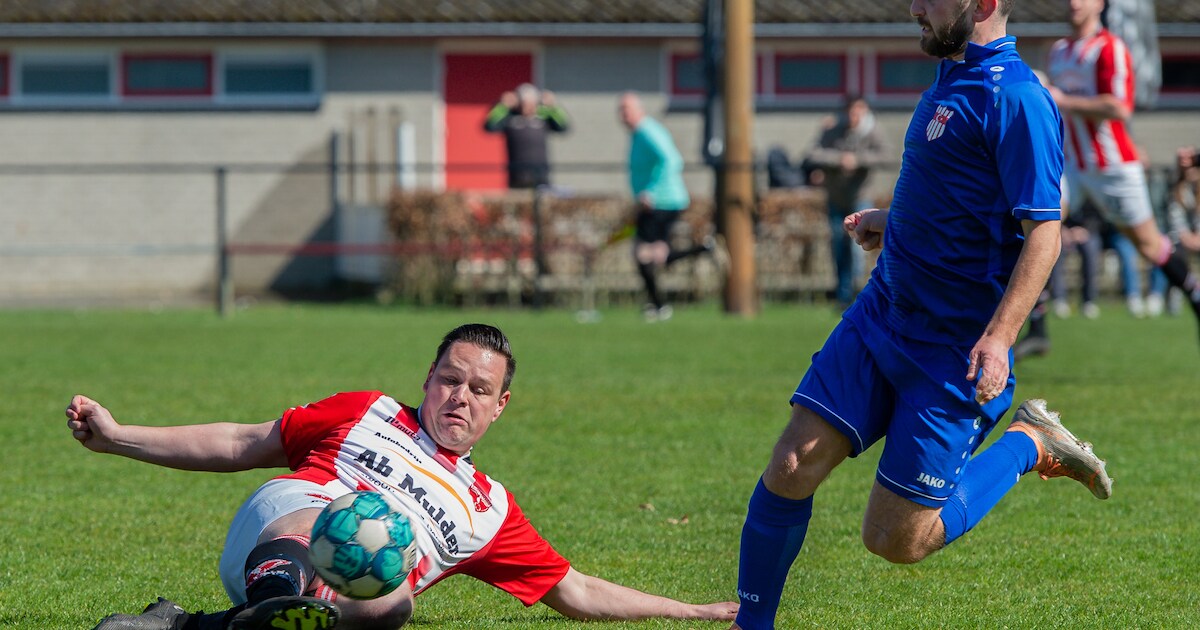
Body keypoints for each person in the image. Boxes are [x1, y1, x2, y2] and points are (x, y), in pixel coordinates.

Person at [729, 2, 1113, 629]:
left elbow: (1044, 235)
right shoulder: (950, 75)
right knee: (792, 463)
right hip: (883, 314)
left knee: (895, 539)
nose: (914, 8)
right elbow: (959, 195)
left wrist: (1000, 337)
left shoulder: (1017, 98)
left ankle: (1030, 443)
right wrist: (894, 222)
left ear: (982, 3)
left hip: (952, 351)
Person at [72, 324, 738, 630]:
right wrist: (118, 437)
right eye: (449, 379)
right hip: (280, 526)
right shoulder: (369, 412)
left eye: (479, 389)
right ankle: (269, 602)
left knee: (394, 604)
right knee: (343, 519)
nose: (460, 397)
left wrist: (696, 612)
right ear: (427, 378)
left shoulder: (489, 510)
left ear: (501, 406)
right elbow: (244, 441)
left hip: (347, 599)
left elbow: (577, 589)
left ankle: (197, 626)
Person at [1045, 0, 1200, 336]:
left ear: (1099, 4)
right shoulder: (1058, 50)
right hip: (1069, 163)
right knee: (1039, 227)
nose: (1073, 3)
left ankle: (1194, 292)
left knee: (1149, 245)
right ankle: (1038, 326)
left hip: (1112, 166)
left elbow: (1119, 107)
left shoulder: (1110, 48)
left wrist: (1062, 99)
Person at [618, 91, 719, 322]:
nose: (622, 115)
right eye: (620, 110)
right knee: (655, 254)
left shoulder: (648, 131)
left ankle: (659, 305)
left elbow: (672, 160)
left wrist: (651, 192)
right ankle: (704, 249)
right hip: (658, 202)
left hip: (662, 201)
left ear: (639, 110)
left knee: (643, 253)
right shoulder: (638, 134)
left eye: (626, 109)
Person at [803, 94, 890, 309]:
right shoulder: (833, 130)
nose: (855, 116)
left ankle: (860, 290)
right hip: (836, 197)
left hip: (860, 196)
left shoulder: (872, 131)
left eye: (859, 111)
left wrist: (857, 160)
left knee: (858, 246)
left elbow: (886, 155)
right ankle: (843, 295)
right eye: (851, 111)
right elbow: (812, 153)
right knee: (838, 245)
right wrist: (838, 159)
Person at [484, 83, 570, 190]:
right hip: (517, 175)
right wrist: (502, 106)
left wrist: (553, 106)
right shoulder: (510, 117)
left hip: (541, 175)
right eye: (524, 103)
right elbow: (490, 126)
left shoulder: (544, 117)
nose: (528, 107)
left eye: (531, 103)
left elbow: (563, 127)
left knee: (542, 198)